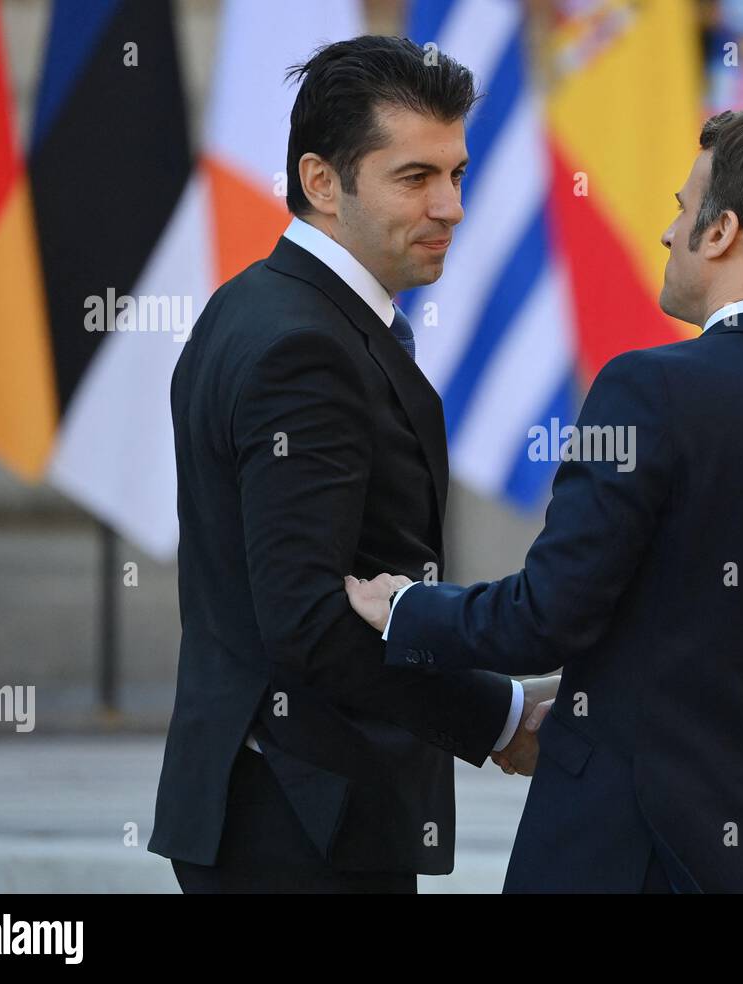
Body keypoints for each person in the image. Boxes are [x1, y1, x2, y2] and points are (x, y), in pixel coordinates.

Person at [346, 109, 743, 893]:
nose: (667, 232)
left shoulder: (646, 389)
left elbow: (543, 618)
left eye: (683, 209)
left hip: (619, 852)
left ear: (721, 233)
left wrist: (410, 610)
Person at [148, 36, 557, 894]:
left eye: (457, 173)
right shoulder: (304, 344)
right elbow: (306, 621)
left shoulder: (261, 305)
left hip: (293, 811)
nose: (450, 206)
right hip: (301, 823)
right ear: (322, 181)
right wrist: (497, 714)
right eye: (415, 178)